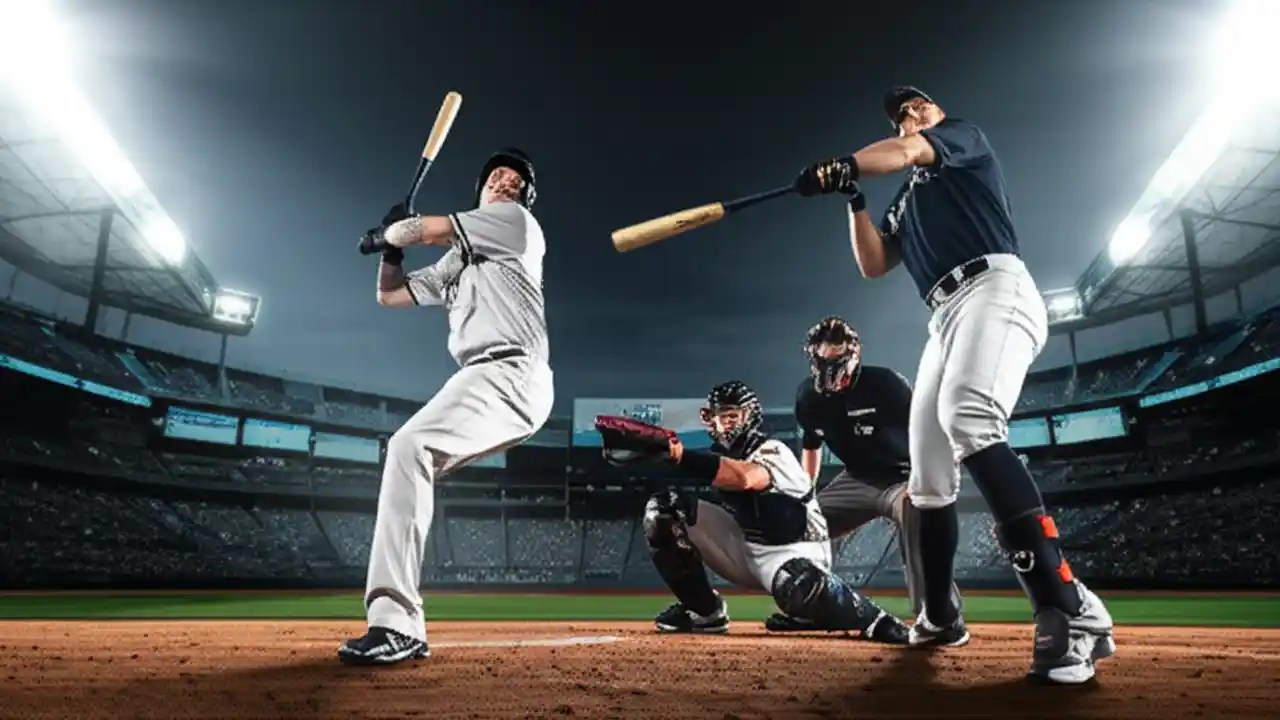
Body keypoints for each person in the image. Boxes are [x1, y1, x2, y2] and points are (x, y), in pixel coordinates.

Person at [791, 87, 1114, 684]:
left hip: (994, 287)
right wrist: (852, 196)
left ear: (932, 110)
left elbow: (908, 151)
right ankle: (938, 617)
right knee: (928, 475)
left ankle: (1066, 607)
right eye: (898, 112)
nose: (907, 114)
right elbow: (873, 263)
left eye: (914, 106)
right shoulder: (906, 202)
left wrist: (852, 160)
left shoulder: (962, 140)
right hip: (943, 315)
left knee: (970, 419)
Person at [338, 148, 554, 665]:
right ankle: (398, 623)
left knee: (410, 445)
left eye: (516, 179)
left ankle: (396, 623)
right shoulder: (457, 260)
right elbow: (391, 296)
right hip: (480, 376)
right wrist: (390, 254)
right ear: (480, 189)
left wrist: (394, 233)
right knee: (411, 455)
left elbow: (421, 230)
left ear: (524, 196)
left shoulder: (515, 223)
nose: (506, 182)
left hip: (512, 371)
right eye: (497, 175)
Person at [610, 380, 909, 644]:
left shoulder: (774, 449)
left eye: (731, 416)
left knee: (795, 581)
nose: (724, 424)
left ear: (750, 417)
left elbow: (744, 478)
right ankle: (704, 613)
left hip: (795, 552)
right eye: (718, 417)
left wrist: (678, 455)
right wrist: (650, 458)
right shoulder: (720, 456)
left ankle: (871, 617)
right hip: (745, 546)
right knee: (663, 510)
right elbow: (706, 472)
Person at [762, 316, 962, 633]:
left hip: (904, 477)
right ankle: (815, 608)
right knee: (804, 525)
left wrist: (926, 480)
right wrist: (805, 497)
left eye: (837, 359)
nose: (830, 369)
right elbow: (811, 448)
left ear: (854, 355)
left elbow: (925, 430)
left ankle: (938, 616)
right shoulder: (808, 397)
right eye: (822, 359)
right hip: (856, 478)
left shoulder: (886, 385)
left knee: (917, 512)